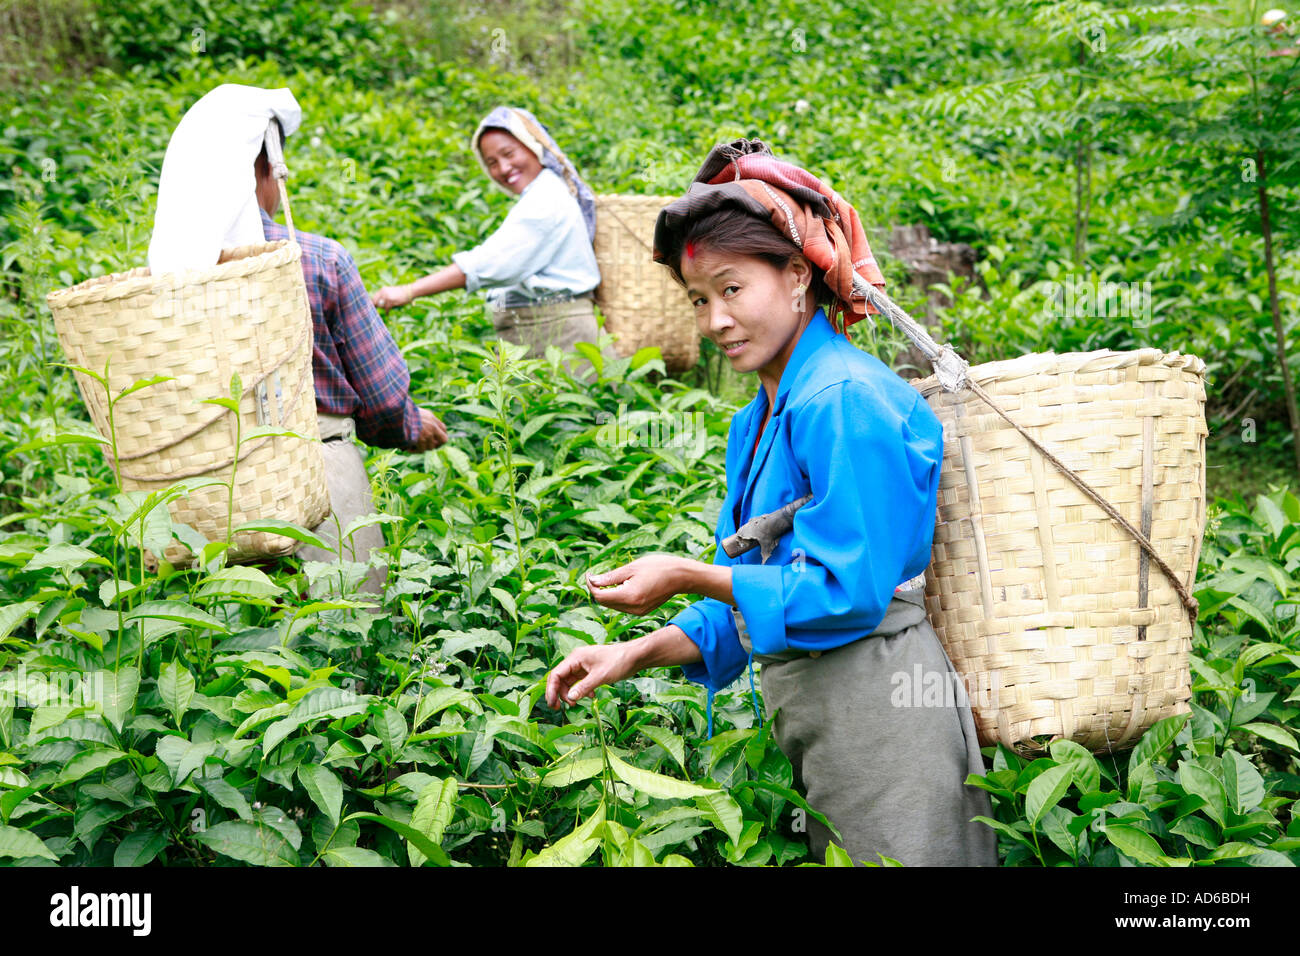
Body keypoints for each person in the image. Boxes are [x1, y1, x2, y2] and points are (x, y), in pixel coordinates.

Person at [545, 140, 997, 867]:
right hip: (820, 721)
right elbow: (754, 597)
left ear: (796, 277)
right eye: (698, 298)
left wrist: (688, 573)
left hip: (882, 710)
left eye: (731, 289)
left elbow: (842, 592)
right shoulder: (756, 417)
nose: (714, 319)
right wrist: (633, 653)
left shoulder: (840, 397)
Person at [254, 134, 448, 595]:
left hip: (205, 491)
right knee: (345, 634)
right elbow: (381, 395)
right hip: (316, 468)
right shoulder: (318, 258)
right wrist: (408, 425)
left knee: (231, 642)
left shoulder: (169, 273)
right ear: (266, 167)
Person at [370, 106, 612, 363]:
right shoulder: (543, 193)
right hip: (545, 331)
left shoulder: (546, 199)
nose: (504, 168)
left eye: (509, 153)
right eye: (492, 163)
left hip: (563, 337)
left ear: (532, 145)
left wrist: (409, 291)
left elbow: (492, 264)